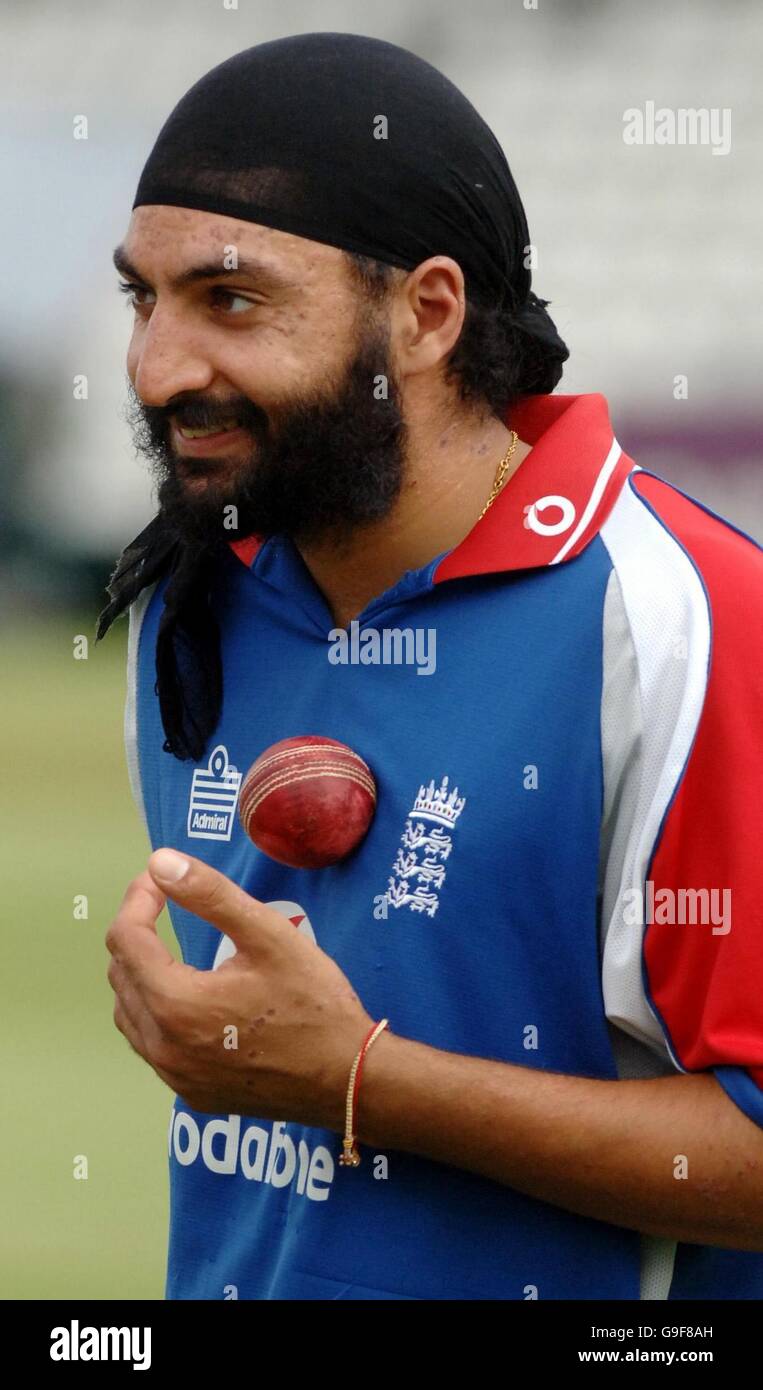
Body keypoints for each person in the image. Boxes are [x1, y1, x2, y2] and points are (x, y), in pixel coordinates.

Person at [98, 32, 763, 1301]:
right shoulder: (187, 604)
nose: (157, 367)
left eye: (229, 299)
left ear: (428, 313)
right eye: (144, 297)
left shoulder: (678, 617)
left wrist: (359, 1079)